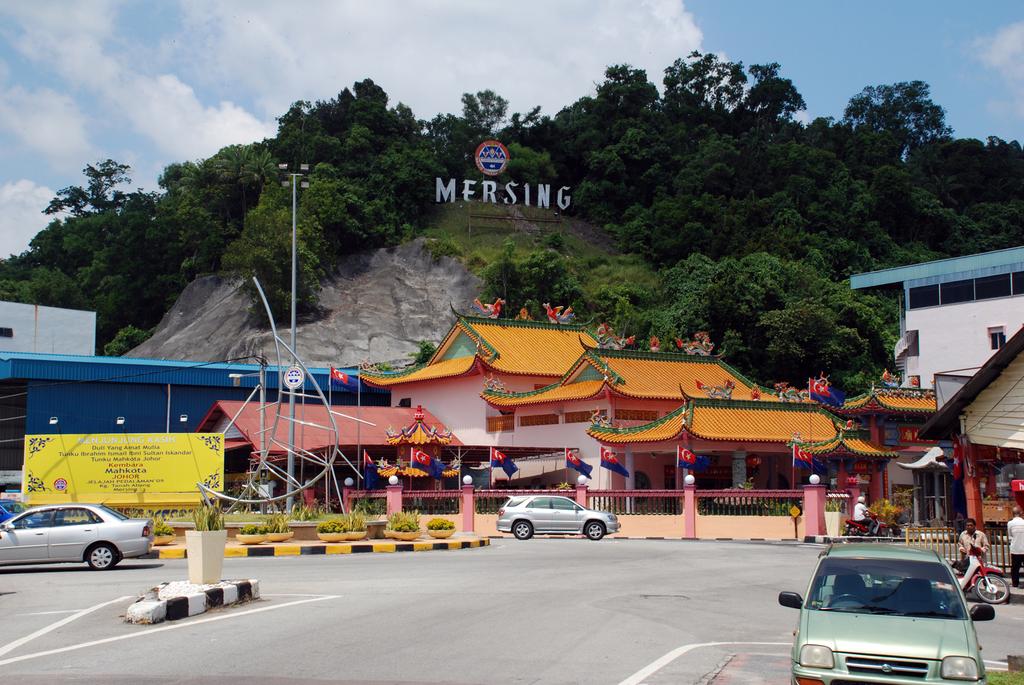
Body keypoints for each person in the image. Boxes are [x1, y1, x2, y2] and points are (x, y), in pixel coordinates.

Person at [1009, 505, 1024, 589]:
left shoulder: (1010, 523)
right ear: (1021, 513)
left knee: (1015, 568)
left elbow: (1010, 536)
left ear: (1013, 514)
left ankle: (1015, 583)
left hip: (1015, 549)